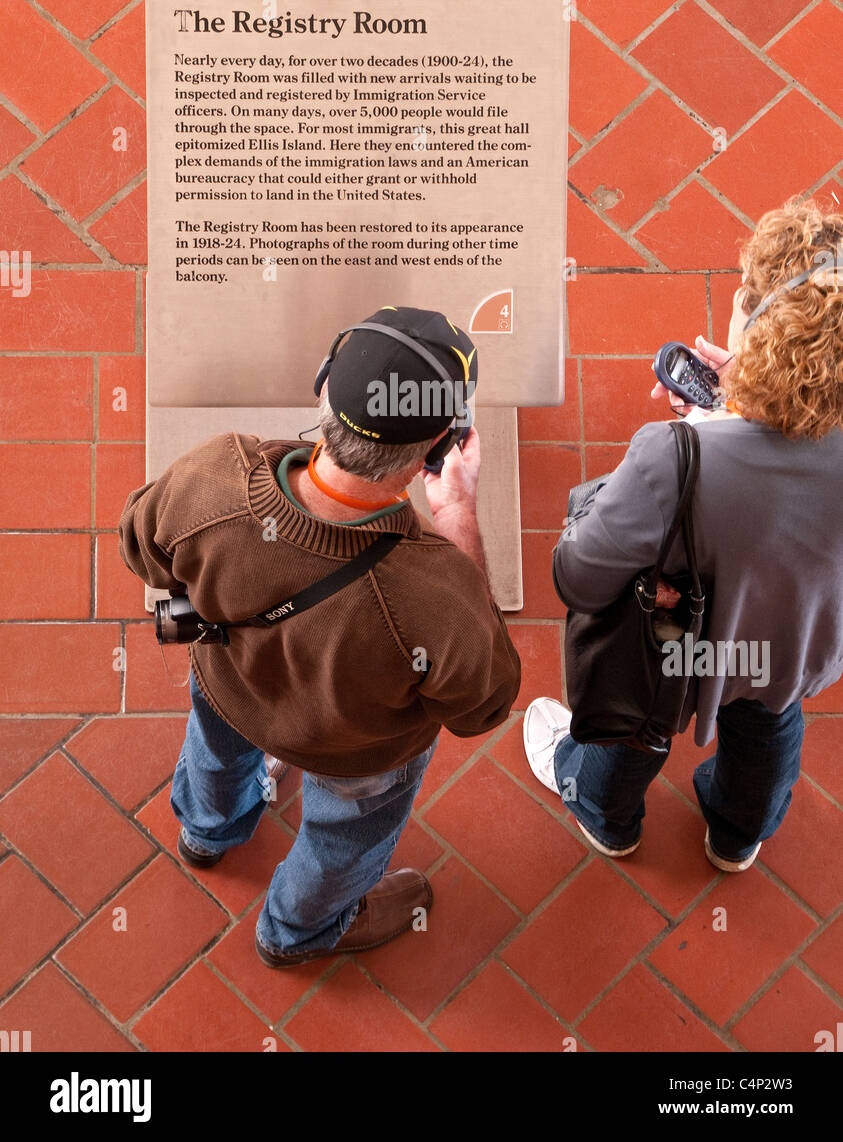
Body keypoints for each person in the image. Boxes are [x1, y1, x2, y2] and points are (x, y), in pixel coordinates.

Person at [119, 306, 520, 965]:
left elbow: (142, 549)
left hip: (230, 691)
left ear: (323, 386)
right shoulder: (439, 591)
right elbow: (483, 705)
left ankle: (207, 833)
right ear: (440, 445)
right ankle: (294, 932)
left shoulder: (214, 477)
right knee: (343, 842)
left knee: (216, 758)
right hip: (353, 754)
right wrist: (456, 519)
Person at [524, 195, 843, 871]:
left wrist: (697, 429)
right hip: (799, 643)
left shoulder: (672, 455)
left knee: (635, 721)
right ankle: (736, 836)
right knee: (769, 717)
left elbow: (577, 577)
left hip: (683, 653)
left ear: (755, 321)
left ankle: (605, 816)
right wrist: (745, 401)